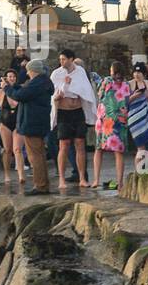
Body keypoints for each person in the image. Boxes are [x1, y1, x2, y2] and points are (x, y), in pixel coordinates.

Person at [50, 49, 94, 191]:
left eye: (63, 59)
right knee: (64, 145)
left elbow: (86, 90)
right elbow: (54, 95)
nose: (61, 62)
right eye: (60, 59)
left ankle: (82, 178)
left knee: (80, 143)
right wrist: (64, 87)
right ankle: (62, 179)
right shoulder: (57, 74)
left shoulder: (80, 72)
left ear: (71, 59)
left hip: (78, 112)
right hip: (64, 112)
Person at [9, 59, 54, 194]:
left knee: (35, 155)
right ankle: (43, 184)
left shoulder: (37, 82)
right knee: (39, 154)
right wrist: (14, 86)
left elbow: (21, 96)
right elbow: (24, 90)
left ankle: (40, 185)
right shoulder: (43, 82)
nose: (27, 72)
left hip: (32, 122)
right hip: (39, 122)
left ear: (32, 70)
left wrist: (7, 88)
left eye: (28, 70)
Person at [90, 61, 130, 189]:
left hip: (105, 118)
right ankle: (120, 182)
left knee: (98, 149)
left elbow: (100, 94)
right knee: (118, 152)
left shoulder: (107, 81)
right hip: (120, 119)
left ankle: (96, 180)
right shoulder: (126, 84)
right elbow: (127, 101)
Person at [0, 69, 25, 184]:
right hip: (5, 123)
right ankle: (6, 174)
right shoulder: (0, 92)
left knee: (17, 149)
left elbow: (20, 103)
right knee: (7, 149)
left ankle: (21, 175)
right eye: (9, 77)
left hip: (17, 123)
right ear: (6, 78)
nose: (11, 78)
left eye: (13, 76)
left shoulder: (20, 90)